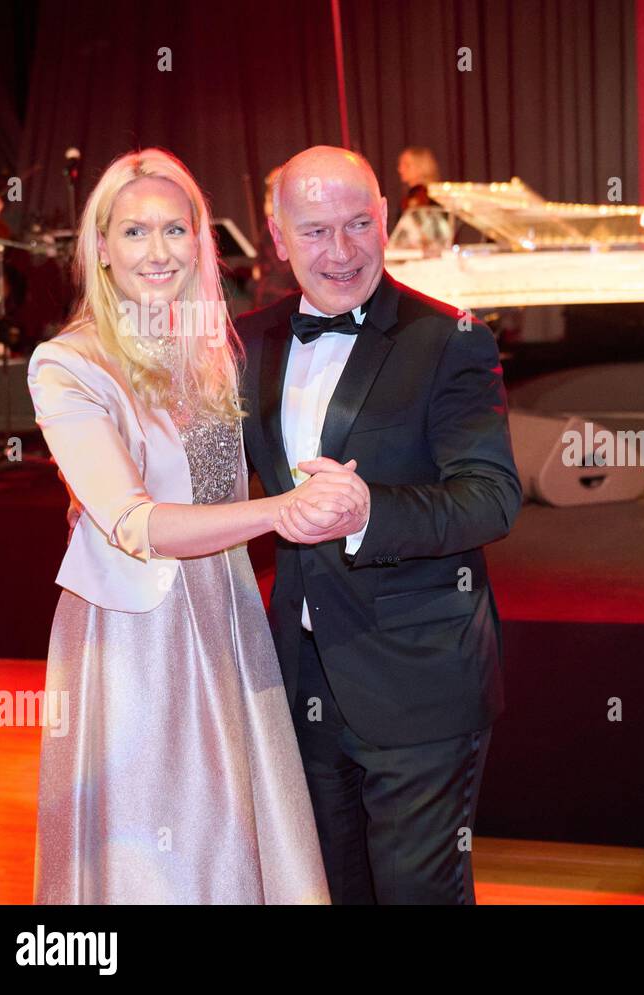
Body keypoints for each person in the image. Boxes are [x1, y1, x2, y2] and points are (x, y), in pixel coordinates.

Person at [27, 148, 357, 903]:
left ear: (201, 241)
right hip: (137, 634)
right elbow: (134, 522)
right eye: (134, 231)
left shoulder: (211, 351)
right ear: (101, 248)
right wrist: (284, 513)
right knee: (163, 846)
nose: (157, 250)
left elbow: (222, 484)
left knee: (243, 827)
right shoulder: (67, 363)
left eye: (175, 229)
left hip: (229, 609)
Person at [240, 145, 520, 904]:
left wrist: (371, 511)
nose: (341, 251)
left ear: (387, 218)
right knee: (327, 890)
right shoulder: (246, 341)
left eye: (359, 224)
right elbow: (210, 482)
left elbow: (491, 496)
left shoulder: (449, 339)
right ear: (277, 235)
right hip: (299, 678)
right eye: (317, 230)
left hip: (421, 674)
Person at [388, 145, 452, 253]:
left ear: (421, 167)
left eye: (407, 165)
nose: (400, 169)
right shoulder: (413, 196)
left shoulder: (430, 197)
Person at [251, 166, 299, 308]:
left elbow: (257, 270)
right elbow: (283, 267)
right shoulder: (273, 228)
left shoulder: (278, 226)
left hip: (279, 292)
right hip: (277, 294)